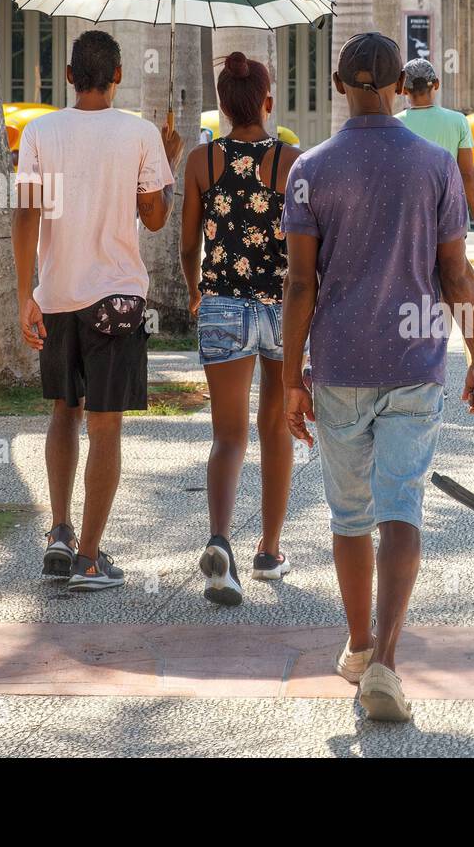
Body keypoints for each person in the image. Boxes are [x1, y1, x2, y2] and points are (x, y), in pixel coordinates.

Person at [280, 32, 474, 722]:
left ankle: (359, 641)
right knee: (402, 505)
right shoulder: (434, 166)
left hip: (338, 364)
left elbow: (300, 284)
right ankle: (387, 664)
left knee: (350, 515)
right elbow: (455, 272)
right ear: (401, 84)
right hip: (416, 359)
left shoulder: (310, 168)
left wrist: (290, 378)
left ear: (340, 84)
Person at [13, 29, 183, 591]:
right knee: (105, 428)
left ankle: (59, 531)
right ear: (117, 78)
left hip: (57, 294)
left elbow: (25, 216)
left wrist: (24, 295)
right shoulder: (138, 133)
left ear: (68, 77)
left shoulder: (39, 131)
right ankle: (89, 557)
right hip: (117, 297)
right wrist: (167, 165)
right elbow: (155, 218)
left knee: (64, 411)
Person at [178, 52, 302, 606]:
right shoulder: (292, 162)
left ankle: (219, 543)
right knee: (275, 428)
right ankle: (269, 550)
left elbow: (187, 247)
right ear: (267, 103)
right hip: (281, 306)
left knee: (227, 437)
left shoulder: (202, 162)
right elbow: (305, 248)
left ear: (223, 108)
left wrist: (194, 288)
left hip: (223, 305)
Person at [397, 57, 474, 251]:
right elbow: (468, 175)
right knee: (453, 276)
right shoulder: (457, 121)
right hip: (449, 216)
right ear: (436, 84)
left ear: (403, 89)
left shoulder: (395, 124)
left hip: (407, 218)